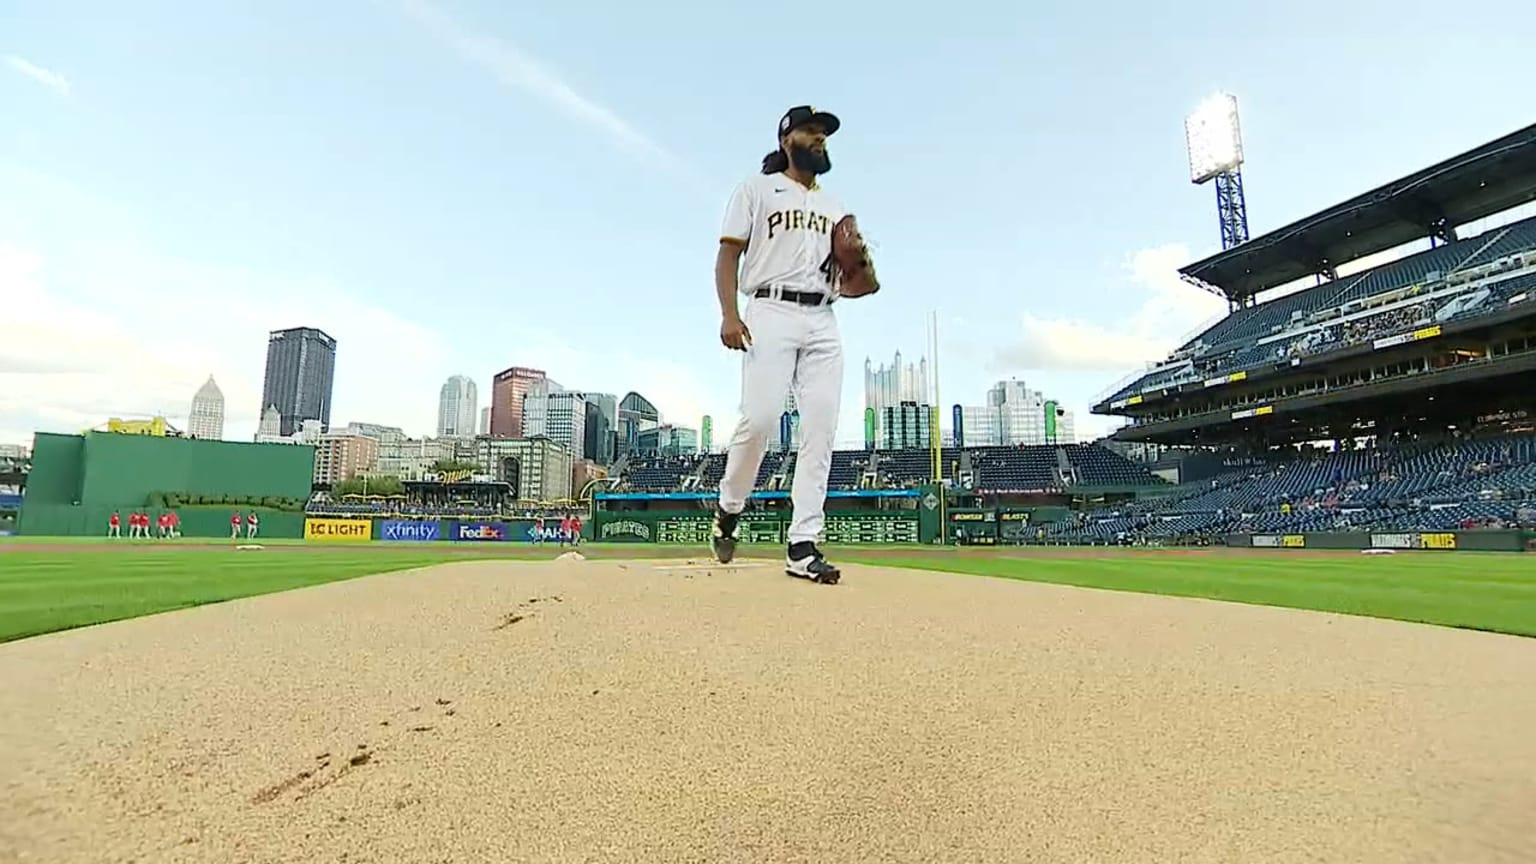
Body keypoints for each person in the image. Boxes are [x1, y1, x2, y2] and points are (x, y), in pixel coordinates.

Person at [710, 104, 851, 585]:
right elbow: (728, 252)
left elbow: (850, 276)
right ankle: (729, 507)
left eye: (825, 135)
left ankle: (803, 544)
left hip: (823, 318)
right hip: (769, 309)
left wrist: (856, 274)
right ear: (788, 138)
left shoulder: (834, 206)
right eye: (813, 132)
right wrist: (729, 313)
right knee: (762, 418)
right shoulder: (756, 189)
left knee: (821, 429)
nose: (821, 140)